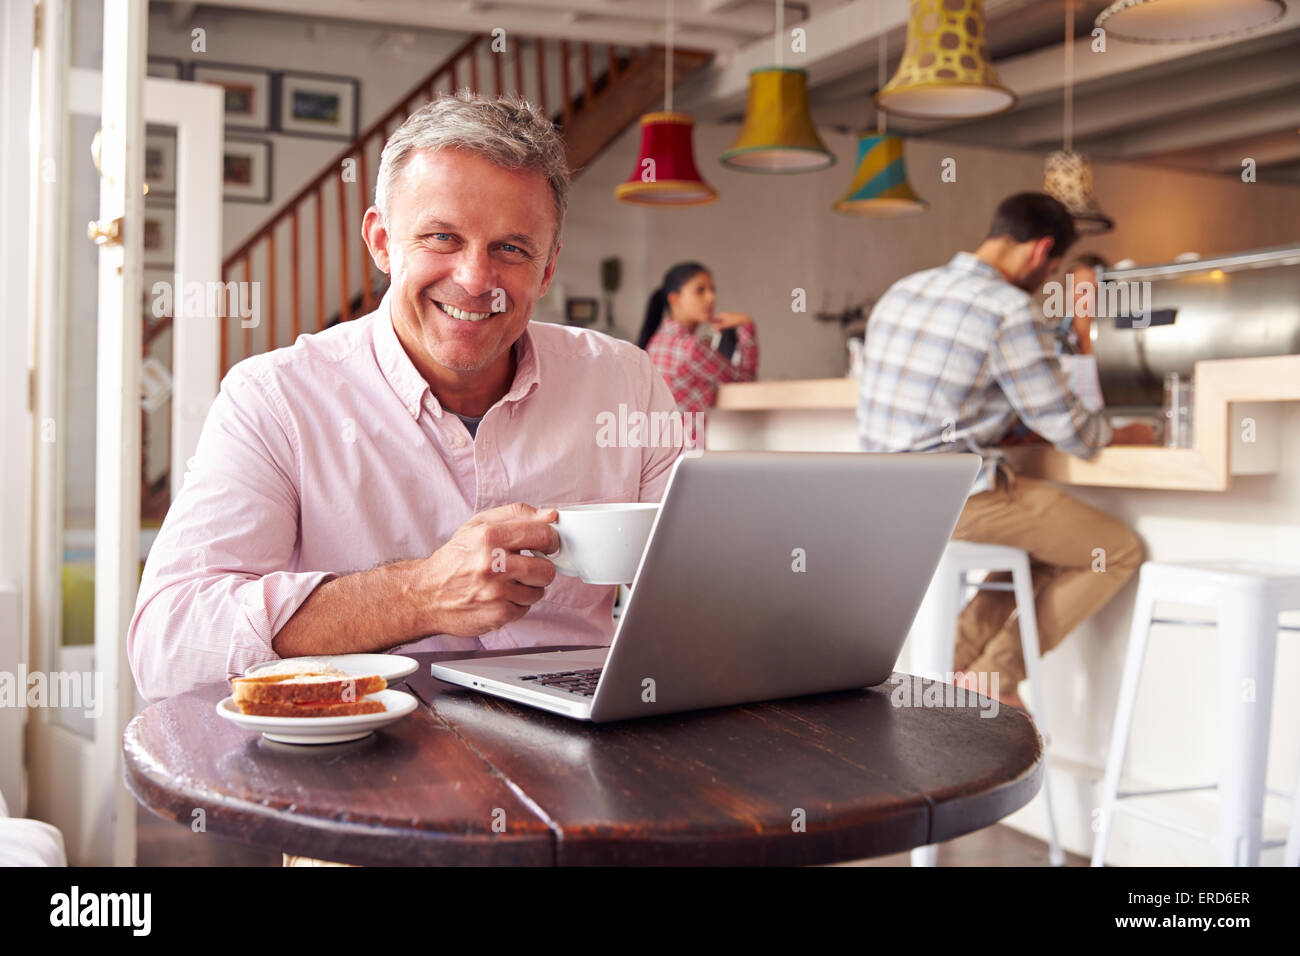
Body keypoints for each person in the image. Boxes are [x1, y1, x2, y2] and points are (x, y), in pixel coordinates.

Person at [127, 93, 684, 702]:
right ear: (383, 241)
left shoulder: (624, 382)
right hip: (362, 753)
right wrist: (418, 595)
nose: (475, 280)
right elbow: (167, 645)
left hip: (586, 754)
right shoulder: (274, 398)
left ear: (548, 269)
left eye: (512, 248)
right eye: (442, 238)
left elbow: (705, 583)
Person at [857, 192, 1152, 708]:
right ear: (1041, 251)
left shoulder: (904, 289)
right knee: (1117, 550)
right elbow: (1072, 430)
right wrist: (1128, 434)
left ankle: (948, 670)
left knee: (1048, 549)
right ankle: (996, 676)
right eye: (1054, 266)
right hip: (950, 499)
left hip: (882, 497)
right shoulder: (1008, 308)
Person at [638, 262, 758, 416]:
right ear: (675, 299)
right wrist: (746, 325)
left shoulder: (656, 342)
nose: (711, 297)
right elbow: (745, 381)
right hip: (686, 439)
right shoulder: (691, 347)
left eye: (712, 290)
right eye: (700, 291)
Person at [1058, 252, 1107, 356]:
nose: (1091, 297)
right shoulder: (1052, 340)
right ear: (1067, 292)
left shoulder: (1118, 338)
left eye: (1097, 290)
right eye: (1083, 290)